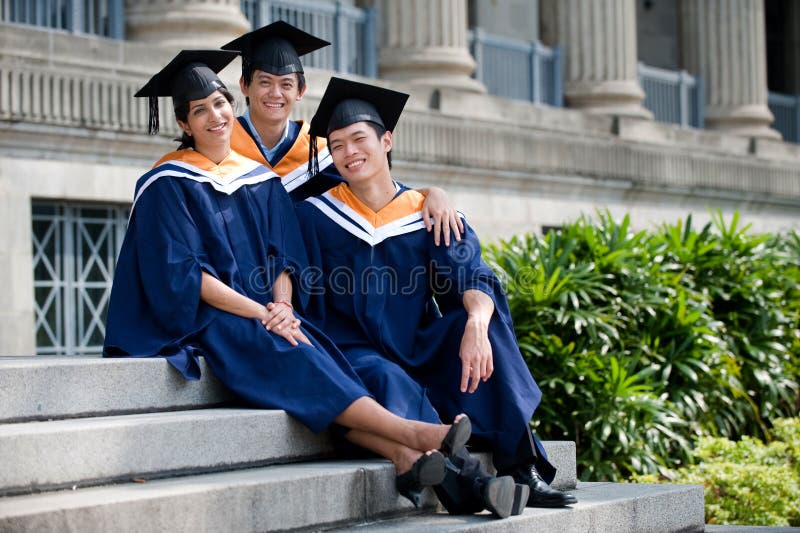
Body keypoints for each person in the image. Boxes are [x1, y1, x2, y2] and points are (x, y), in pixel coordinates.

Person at [102, 50, 478, 507]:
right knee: (295, 353)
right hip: (205, 317)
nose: (215, 116)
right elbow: (186, 276)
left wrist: (282, 305)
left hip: (267, 311)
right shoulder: (166, 183)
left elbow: (285, 256)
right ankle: (415, 433)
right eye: (199, 110)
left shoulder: (260, 179)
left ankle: (403, 457)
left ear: (230, 105)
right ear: (184, 124)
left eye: (219, 104)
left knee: (314, 351)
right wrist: (262, 311)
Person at [297, 77, 578, 511]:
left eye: (359, 139)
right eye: (336, 146)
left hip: (417, 344)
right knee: (384, 378)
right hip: (357, 349)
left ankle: (520, 466)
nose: (349, 152)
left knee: (480, 321)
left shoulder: (427, 213)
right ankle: (468, 480)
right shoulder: (316, 215)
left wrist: (478, 326)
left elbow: (473, 276)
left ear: (386, 140)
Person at [220, 21, 463, 246]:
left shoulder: (321, 154)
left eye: (286, 84)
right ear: (244, 85)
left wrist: (432, 193)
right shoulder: (219, 148)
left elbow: (372, 191)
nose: (275, 93)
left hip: (305, 278)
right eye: (264, 82)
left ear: (300, 91)